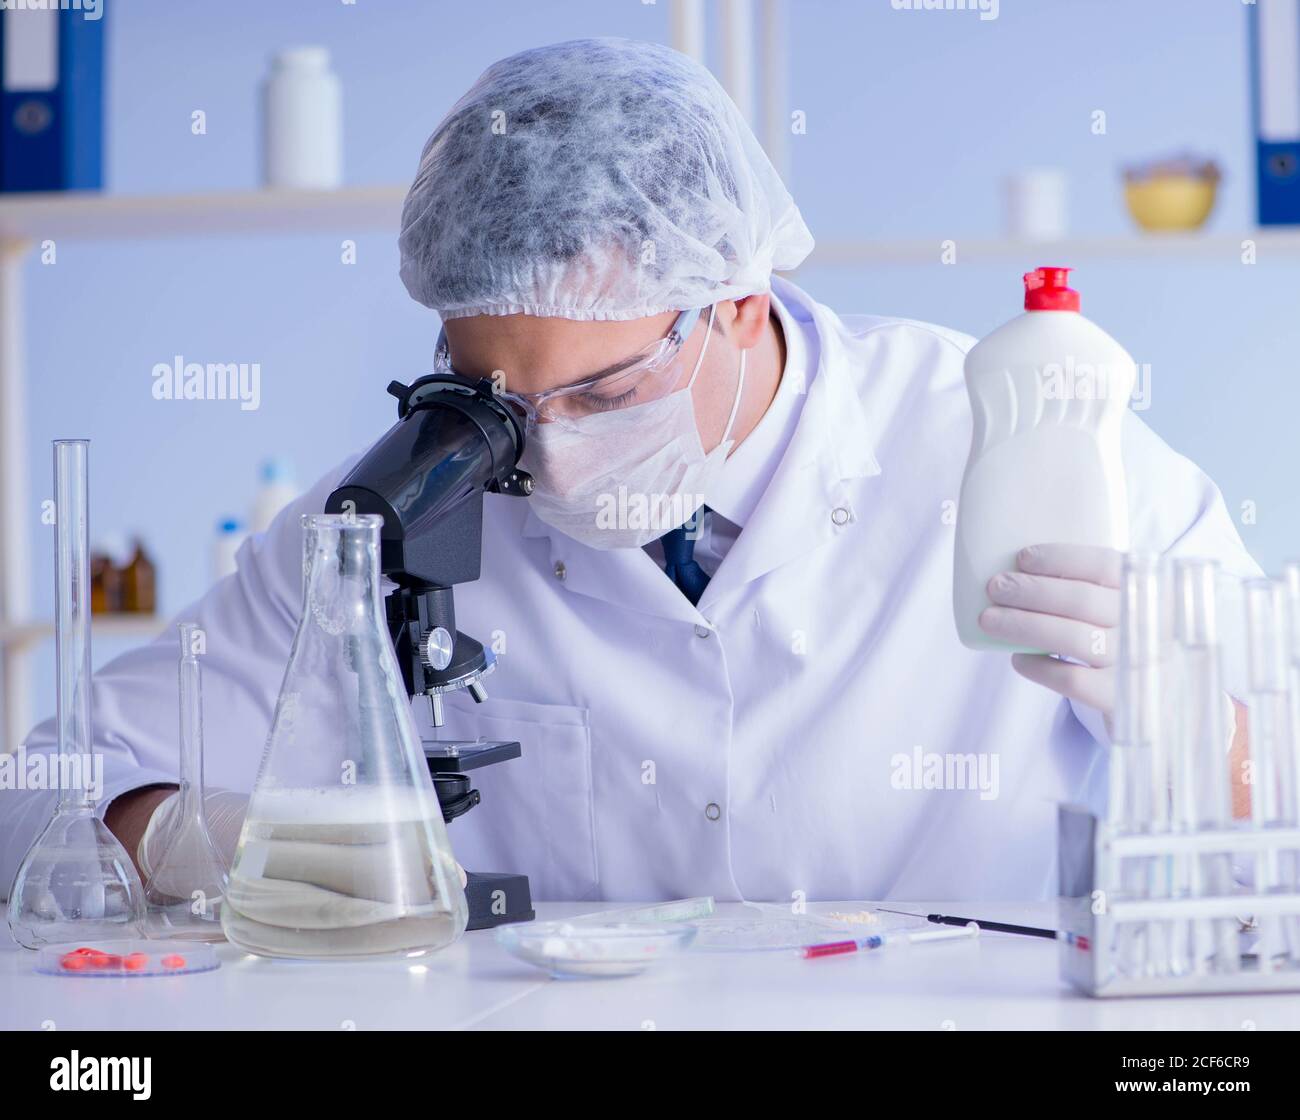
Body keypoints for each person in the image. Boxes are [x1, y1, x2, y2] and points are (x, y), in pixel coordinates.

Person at [1, 38, 1258, 904]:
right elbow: (40, 789)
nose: (543, 451)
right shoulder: (394, 514)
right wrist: (186, 837)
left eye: (602, 392)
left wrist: (1203, 723)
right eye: (499, 400)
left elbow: (1279, 800)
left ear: (739, 304)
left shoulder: (1004, 431)